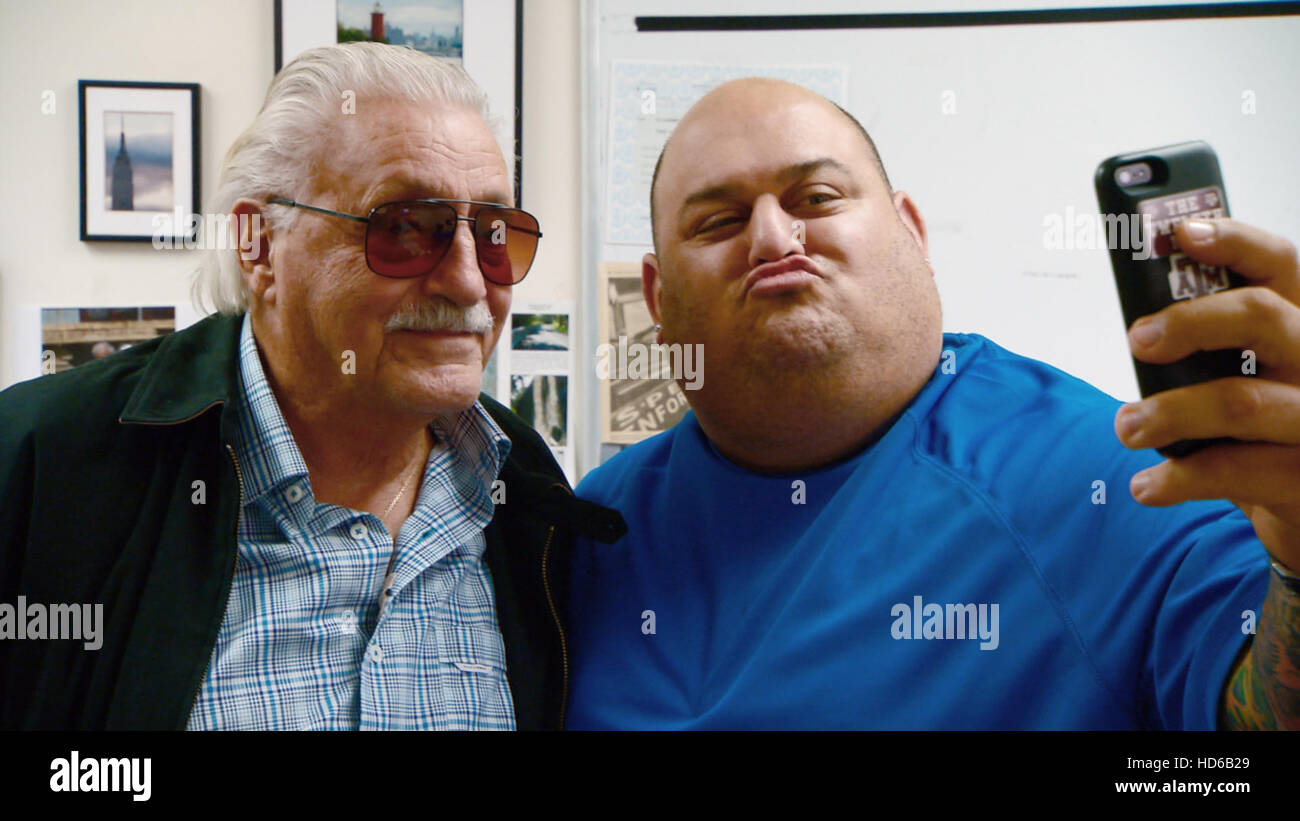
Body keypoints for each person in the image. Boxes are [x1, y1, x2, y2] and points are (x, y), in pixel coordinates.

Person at [567, 77, 1299, 730]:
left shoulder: (1118, 480)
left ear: (911, 233)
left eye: (817, 198)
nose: (770, 236)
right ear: (658, 299)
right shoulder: (589, 531)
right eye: (718, 221)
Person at [0, 43, 623, 731]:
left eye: (495, 234)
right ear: (259, 243)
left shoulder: (527, 494)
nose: (470, 282)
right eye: (406, 229)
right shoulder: (45, 464)